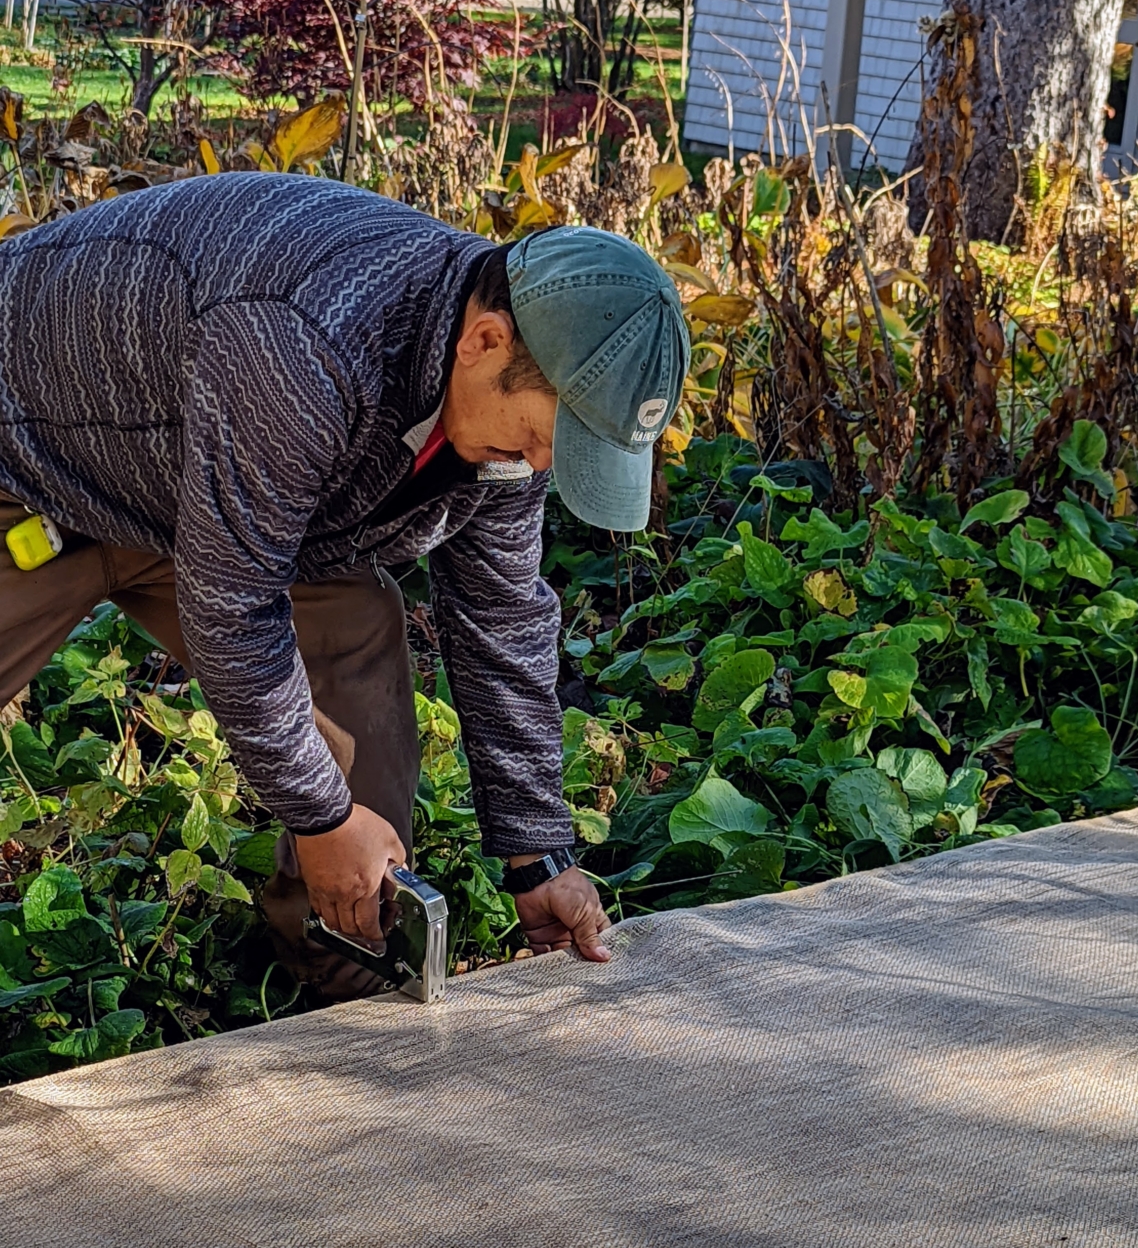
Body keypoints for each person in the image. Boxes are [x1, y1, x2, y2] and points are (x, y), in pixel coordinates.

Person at [0, 173, 690, 998]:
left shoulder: (518, 402)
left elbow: (501, 617)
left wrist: (535, 852)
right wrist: (318, 815)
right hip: (27, 455)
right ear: (484, 341)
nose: (542, 466)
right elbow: (234, 609)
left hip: (206, 487)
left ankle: (344, 975)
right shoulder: (302, 342)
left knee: (350, 632)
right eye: (546, 438)